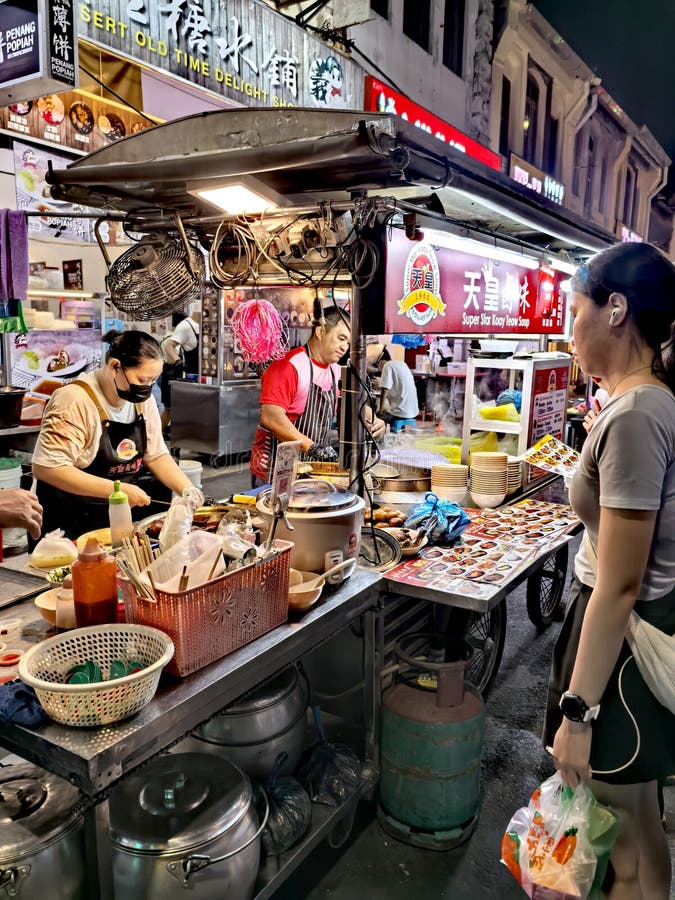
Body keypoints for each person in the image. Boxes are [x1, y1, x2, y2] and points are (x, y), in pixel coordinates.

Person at [543, 242, 675, 899]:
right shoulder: (643, 403)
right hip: (631, 638)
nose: (570, 331)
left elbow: (620, 583)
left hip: (622, 649)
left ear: (615, 310)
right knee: (639, 824)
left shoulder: (638, 413)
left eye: (576, 312)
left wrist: (577, 715)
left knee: (622, 842)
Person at [32, 330, 203, 540]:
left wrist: (187, 488)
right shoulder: (73, 400)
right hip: (69, 520)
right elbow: (47, 468)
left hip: (115, 514)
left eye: (153, 380)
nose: (147, 387)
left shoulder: (143, 401)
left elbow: (156, 455)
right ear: (115, 366)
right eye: (142, 379)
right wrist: (117, 489)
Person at [249, 306, 385, 484]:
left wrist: (375, 420)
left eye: (348, 342)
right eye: (341, 338)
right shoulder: (289, 366)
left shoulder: (336, 371)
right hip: (275, 469)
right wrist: (312, 447)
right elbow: (271, 417)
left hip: (311, 469)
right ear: (320, 331)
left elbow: (353, 404)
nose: (344, 347)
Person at [160, 310, 200, 432]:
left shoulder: (199, 326)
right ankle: (160, 436)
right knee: (170, 410)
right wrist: (178, 362)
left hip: (196, 378)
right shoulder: (184, 327)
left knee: (173, 410)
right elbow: (168, 348)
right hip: (176, 376)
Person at [378, 354, 419, 432]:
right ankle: (401, 432)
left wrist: (381, 409)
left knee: (378, 417)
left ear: (381, 361)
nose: (379, 368)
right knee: (397, 409)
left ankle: (383, 438)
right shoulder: (402, 364)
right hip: (413, 411)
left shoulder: (387, 365)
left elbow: (384, 390)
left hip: (400, 413)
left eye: (379, 365)